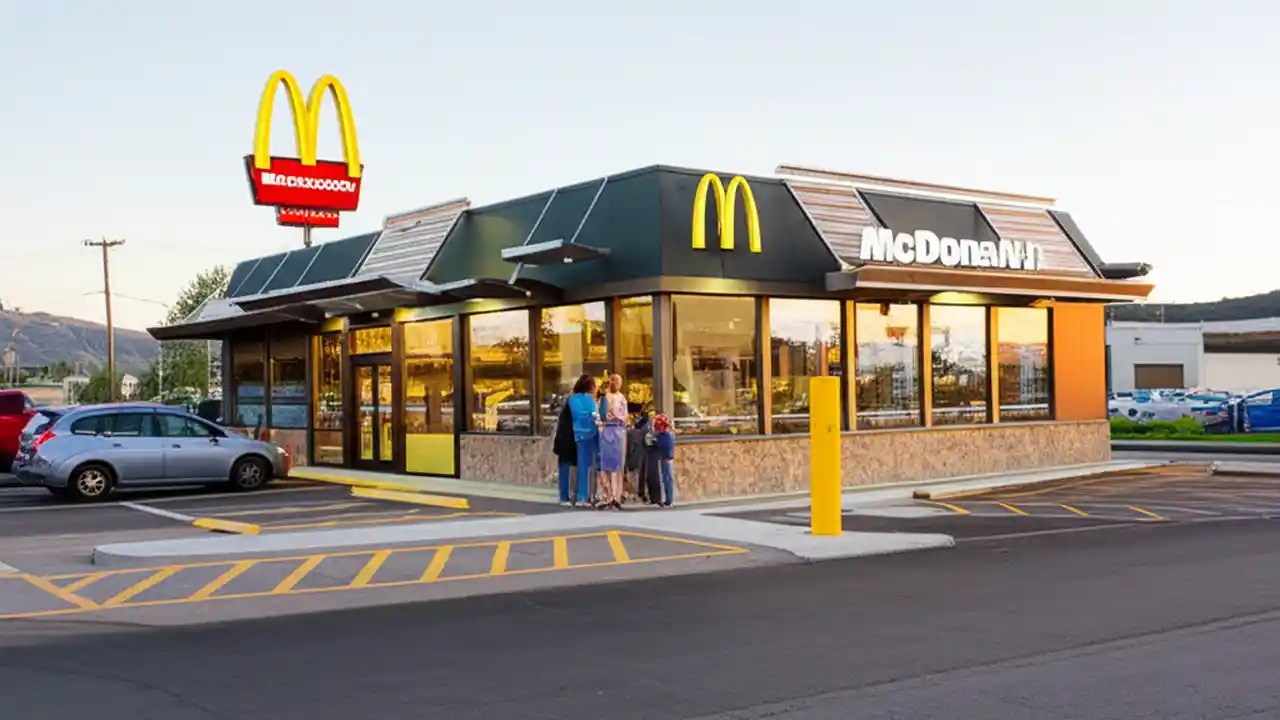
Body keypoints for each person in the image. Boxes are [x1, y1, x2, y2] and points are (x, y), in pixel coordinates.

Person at [566, 374, 600, 507]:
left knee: (584, 465)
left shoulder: (574, 399)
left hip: (582, 434)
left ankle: (584, 495)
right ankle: (586, 495)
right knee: (589, 466)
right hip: (588, 433)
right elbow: (589, 414)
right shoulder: (587, 399)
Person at [596, 372, 628, 509]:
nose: (617, 385)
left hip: (618, 432)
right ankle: (608, 495)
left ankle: (617, 496)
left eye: (619, 382)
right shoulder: (605, 398)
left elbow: (625, 415)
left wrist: (619, 417)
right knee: (605, 466)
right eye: (615, 382)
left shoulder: (622, 398)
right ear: (611, 382)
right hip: (607, 432)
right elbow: (602, 416)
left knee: (618, 466)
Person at [551, 398, 577, 507]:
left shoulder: (564, 416)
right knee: (566, 470)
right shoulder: (570, 417)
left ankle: (565, 495)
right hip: (568, 444)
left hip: (564, 444)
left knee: (565, 470)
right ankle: (566, 496)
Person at [653, 412, 676, 507]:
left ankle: (668, 499)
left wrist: (654, 441)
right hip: (668, 458)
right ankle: (668, 498)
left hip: (665, 459)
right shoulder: (669, 435)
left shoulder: (664, 436)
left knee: (666, 479)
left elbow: (659, 444)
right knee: (668, 478)